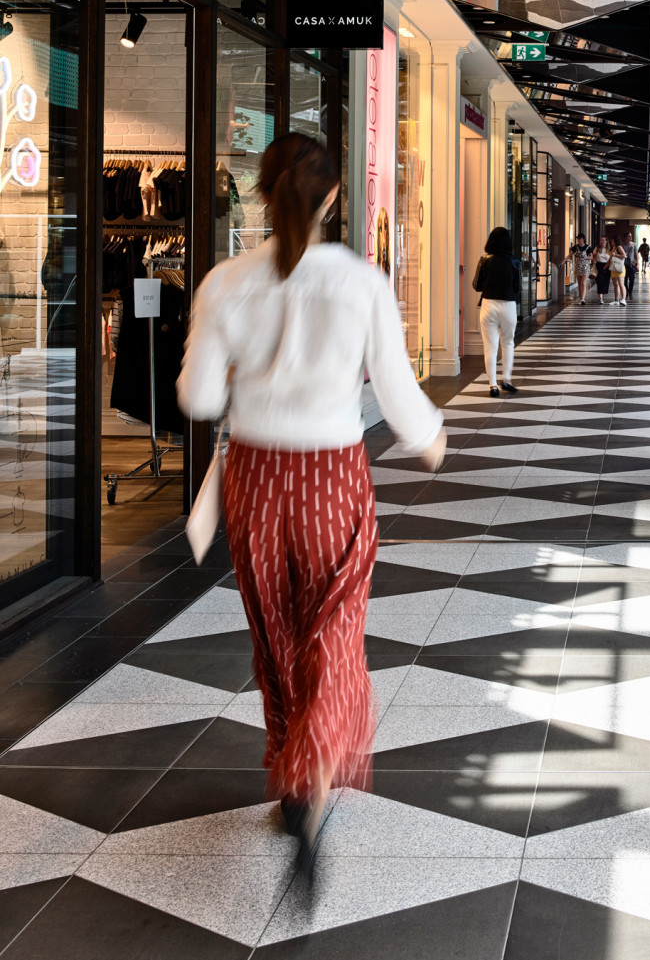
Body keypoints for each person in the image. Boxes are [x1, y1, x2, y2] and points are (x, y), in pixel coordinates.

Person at [178, 133, 446, 885]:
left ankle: (293, 769)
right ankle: (312, 771)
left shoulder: (224, 283)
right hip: (332, 473)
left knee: (278, 629)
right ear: (332, 198)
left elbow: (198, 399)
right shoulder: (360, 282)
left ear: (261, 193)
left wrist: (241, 370)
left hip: (256, 477)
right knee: (333, 624)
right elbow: (395, 391)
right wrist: (430, 441)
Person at [474, 227, 521, 395]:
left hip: (488, 304)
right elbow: (517, 288)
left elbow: (476, 285)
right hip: (508, 305)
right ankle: (506, 380)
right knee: (508, 343)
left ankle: (492, 385)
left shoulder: (484, 260)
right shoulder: (515, 262)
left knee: (490, 347)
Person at [572, 233, 591, 305]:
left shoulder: (588, 247)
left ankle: (583, 299)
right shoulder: (575, 247)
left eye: (579, 239)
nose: (578, 240)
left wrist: (586, 257)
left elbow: (591, 257)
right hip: (578, 266)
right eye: (577, 239)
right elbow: (569, 255)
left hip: (585, 267)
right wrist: (563, 261)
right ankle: (581, 298)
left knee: (583, 283)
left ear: (583, 239)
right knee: (579, 284)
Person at [593, 237, 612, 304]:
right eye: (601, 240)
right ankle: (600, 298)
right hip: (599, 266)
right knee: (599, 282)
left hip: (607, 266)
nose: (601, 241)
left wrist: (606, 266)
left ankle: (602, 296)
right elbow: (593, 256)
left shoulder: (609, 249)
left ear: (606, 241)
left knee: (605, 282)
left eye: (603, 240)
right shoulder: (597, 248)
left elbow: (611, 259)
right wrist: (594, 263)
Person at [610, 238, 628, 306]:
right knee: (615, 285)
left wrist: (616, 255)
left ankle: (623, 299)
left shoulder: (619, 247)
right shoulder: (613, 248)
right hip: (614, 268)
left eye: (612, 241)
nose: (611, 242)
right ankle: (616, 300)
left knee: (621, 284)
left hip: (620, 268)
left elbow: (624, 256)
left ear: (615, 241)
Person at [623, 233, 637, 299]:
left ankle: (630, 293)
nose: (630, 237)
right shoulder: (622, 245)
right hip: (624, 264)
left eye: (631, 236)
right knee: (625, 280)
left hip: (632, 264)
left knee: (632, 279)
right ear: (625, 237)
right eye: (629, 236)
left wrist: (638, 264)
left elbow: (636, 255)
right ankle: (626, 293)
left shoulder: (634, 244)